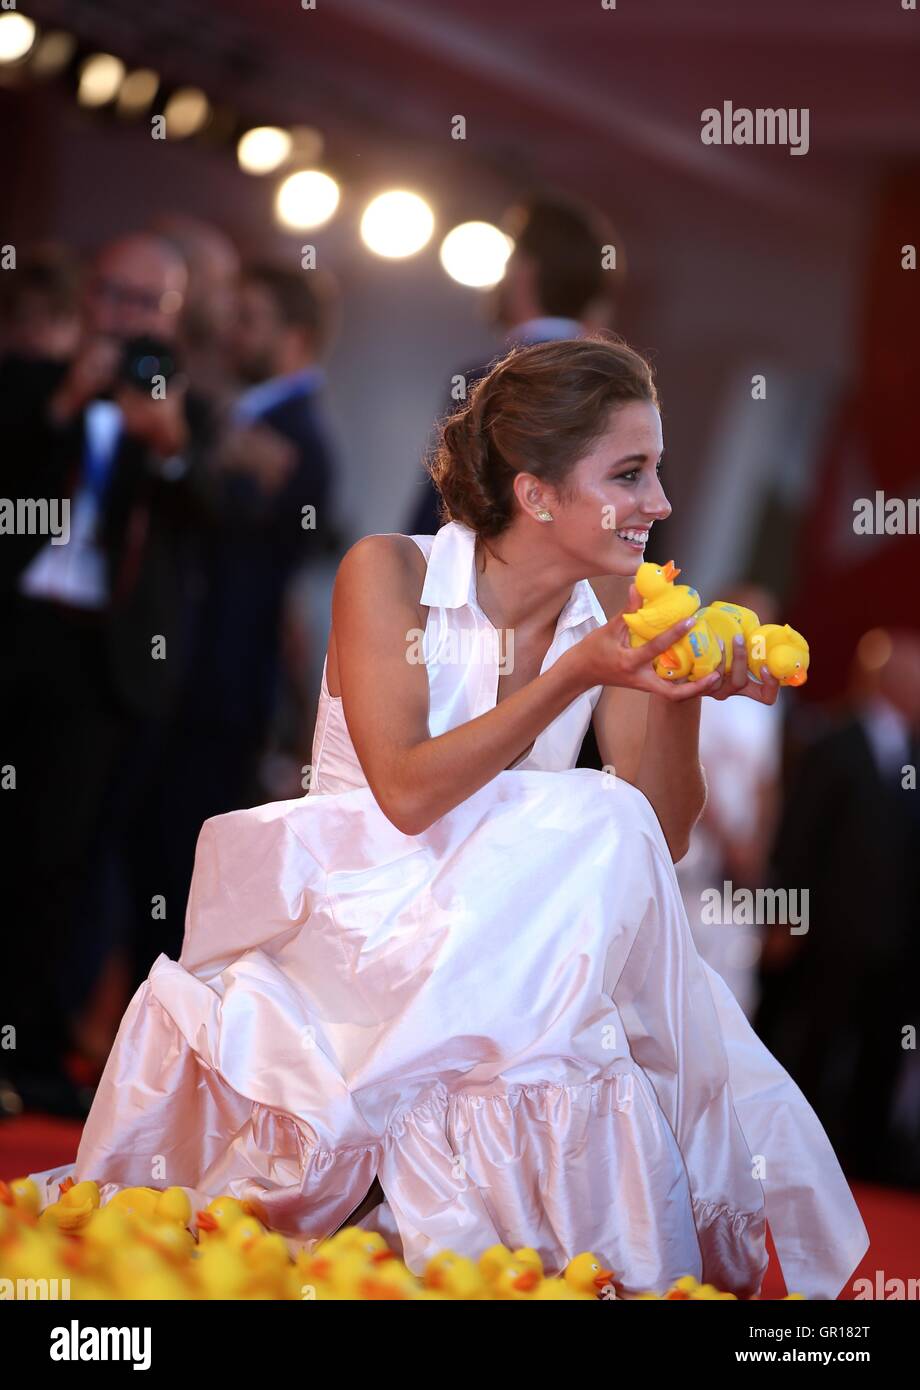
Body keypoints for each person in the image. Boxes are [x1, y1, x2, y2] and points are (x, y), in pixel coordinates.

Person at [27, 337, 868, 1298]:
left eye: (659, 472)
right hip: (354, 909)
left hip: (507, 946)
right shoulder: (386, 572)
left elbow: (658, 838)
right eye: (631, 473)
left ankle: (515, 1239)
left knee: (607, 824)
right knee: (588, 815)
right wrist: (576, 678)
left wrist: (679, 694)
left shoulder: (619, 612)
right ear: (537, 492)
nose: (662, 503)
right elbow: (408, 792)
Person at [0, 233, 215, 1112]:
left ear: (171, 318)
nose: (126, 317)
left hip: (102, 665)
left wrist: (167, 448)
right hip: (15, 635)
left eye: (147, 304)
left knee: (63, 860)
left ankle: (30, 1052)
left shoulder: (185, 409)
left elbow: (214, 525)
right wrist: (65, 403)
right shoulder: (25, 383)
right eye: (114, 296)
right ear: (88, 296)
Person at [754, 627, 920, 1185]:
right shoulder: (834, 744)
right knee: (814, 1046)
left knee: (881, 1053)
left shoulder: (913, 753)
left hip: (895, 941)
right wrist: (785, 920)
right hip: (829, 934)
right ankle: (794, 1162)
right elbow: (797, 839)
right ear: (890, 678)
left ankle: (863, 1167)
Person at [404, 193, 619, 537]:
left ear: (524, 271)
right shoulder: (620, 392)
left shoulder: (487, 383)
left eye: (507, 259)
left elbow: (439, 521)